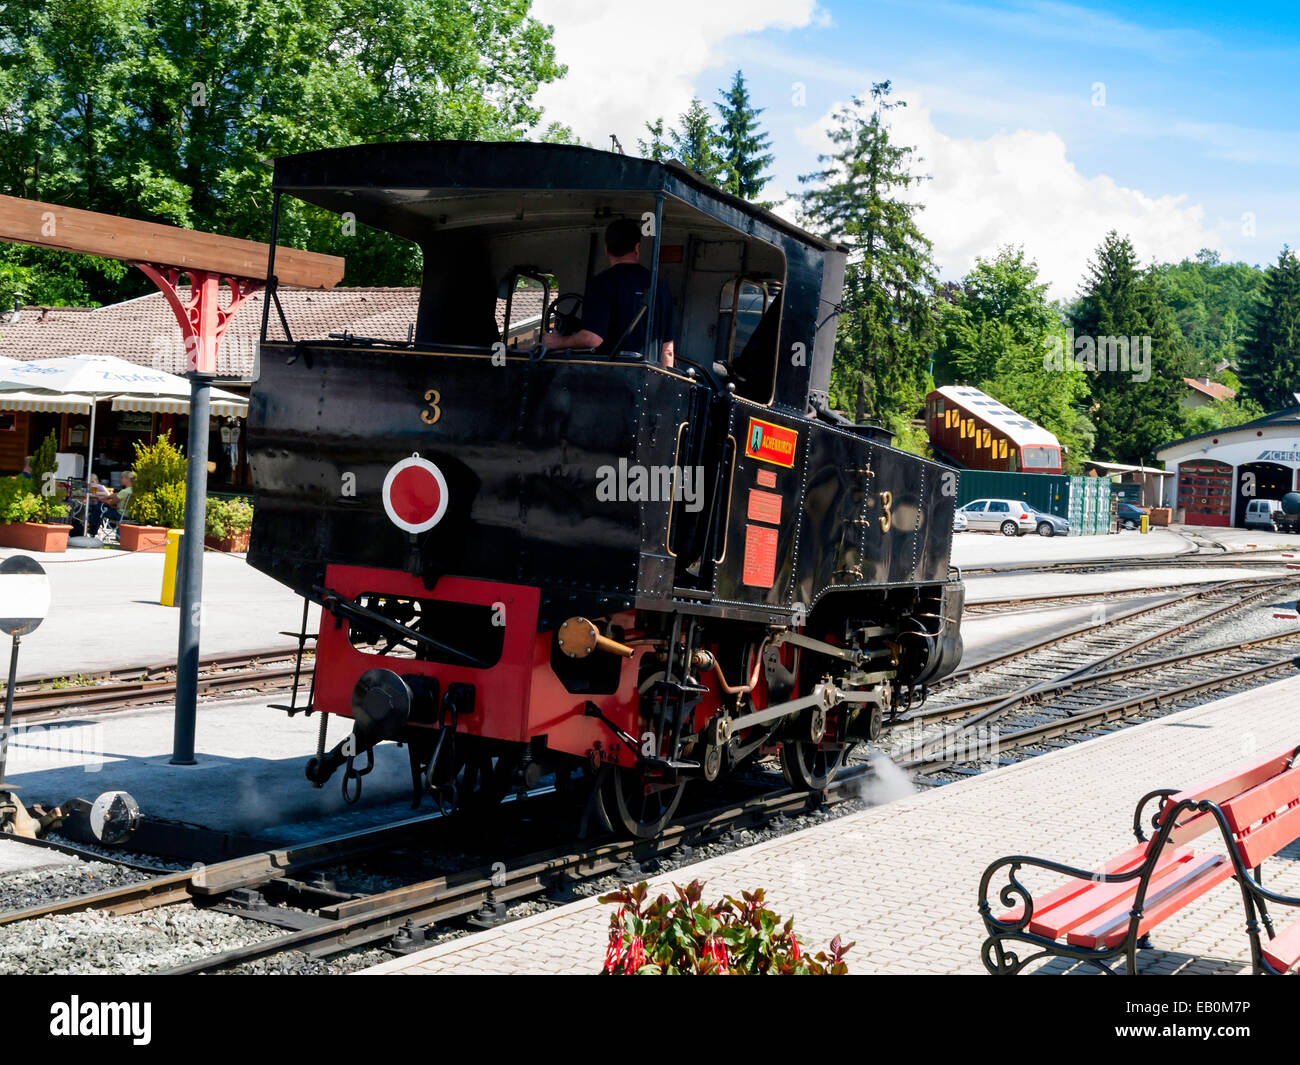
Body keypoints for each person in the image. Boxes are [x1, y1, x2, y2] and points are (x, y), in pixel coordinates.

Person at [541, 217, 676, 366]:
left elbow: (593, 339)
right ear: (637, 248)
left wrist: (558, 342)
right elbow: (667, 351)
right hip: (649, 381)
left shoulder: (602, 283)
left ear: (606, 249)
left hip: (611, 379)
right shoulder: (660, 287)